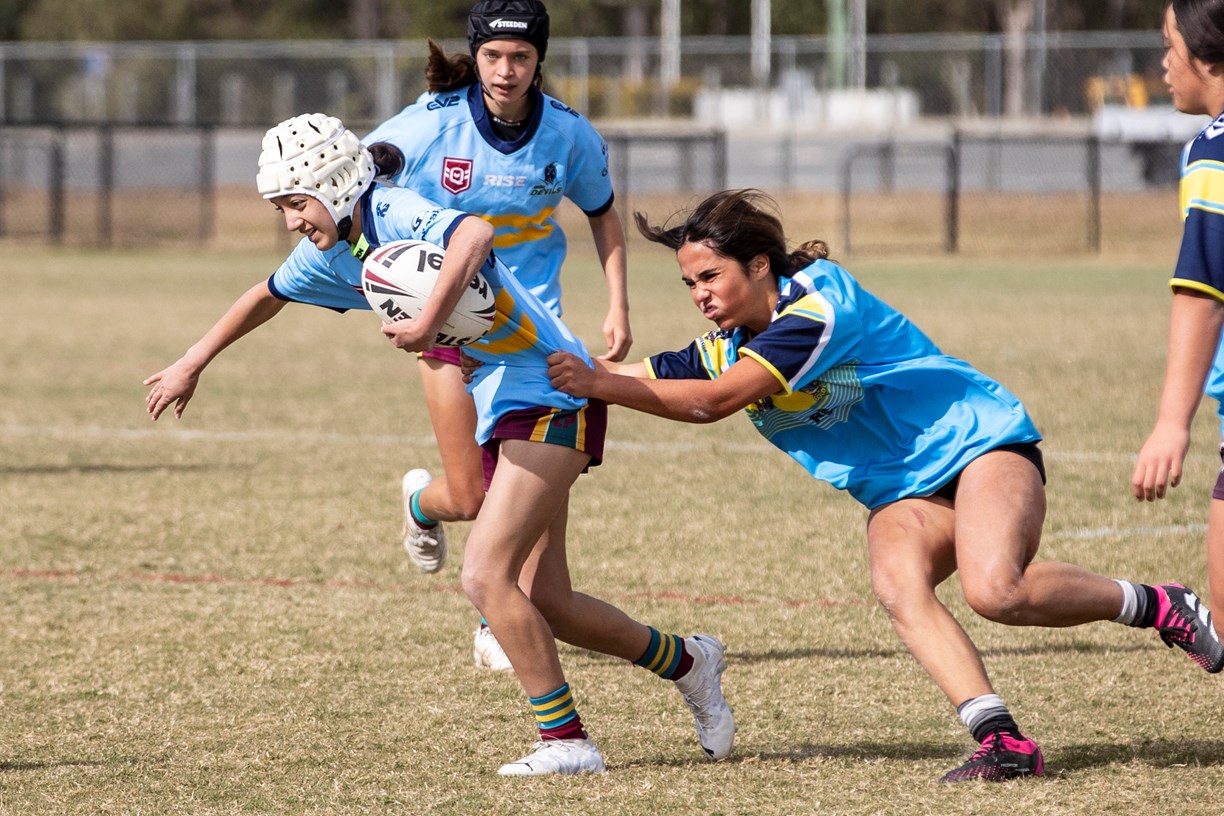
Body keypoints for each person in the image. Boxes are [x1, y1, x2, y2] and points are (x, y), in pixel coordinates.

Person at [545, 188, 1224, 783]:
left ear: (759, 265)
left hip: (976, 443)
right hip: (903, 492)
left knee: (997, 590)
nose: (700, 295)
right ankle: (1004, 741)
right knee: (897, 583)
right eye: (689, 284)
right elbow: (652, 375)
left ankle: (1156, 604)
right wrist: (556, 366)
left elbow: (709, 402)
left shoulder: (817, 308)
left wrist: (597, 385)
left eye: (710, 277)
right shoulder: (729, 339)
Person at [143, 113, 733, 776]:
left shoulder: (392, 209)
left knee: (484, 574)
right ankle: (690, 661)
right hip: (503, 396)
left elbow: (475, 232)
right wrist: (193, 360)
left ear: (336, 186)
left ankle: (567, 742)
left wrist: (425, 318)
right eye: (281, 208)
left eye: (295, 204)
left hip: (553, 386)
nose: (289, 222)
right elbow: (267, 293)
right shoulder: (330, 252)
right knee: (552, 603)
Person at [365, 0, 631, 671]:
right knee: (470, 494)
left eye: (519, 57)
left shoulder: (569, 135)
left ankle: (497, 613)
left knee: (511, 481)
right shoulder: (432, 124)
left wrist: (618, 306)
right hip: (445, 320)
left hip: (527, 327)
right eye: (492, 56)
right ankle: (424, 506)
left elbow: (602, 214)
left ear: (540, 59)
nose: (505, 70)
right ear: (476, 56)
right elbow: (361, 176)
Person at [1132, 0, 1224, 640]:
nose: (1165, 62)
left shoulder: (1214, 151)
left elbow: (1202, 289)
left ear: (1208, 52)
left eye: (1171, 45)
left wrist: (1171, 422)